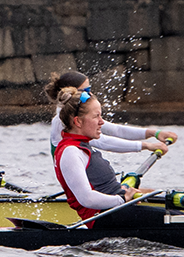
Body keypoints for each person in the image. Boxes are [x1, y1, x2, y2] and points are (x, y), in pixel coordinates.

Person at [51, 85, 169, 227]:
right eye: (97, 116)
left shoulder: (82, 144)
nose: (102, 122)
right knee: (179, 220)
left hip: (116, 210)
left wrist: (124, 194)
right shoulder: (71, 152)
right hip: (104, 217)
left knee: (167, 203)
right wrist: (122, 198)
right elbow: (86, 198)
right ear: (78, 121)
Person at [43, 70, 178, 153]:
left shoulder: (77, 113)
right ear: (71, 91)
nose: (90, 95)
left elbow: (115, 130)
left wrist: (153, 133)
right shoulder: (63, 118)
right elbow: (102, 142)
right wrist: (146, 146)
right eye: (87, 91)